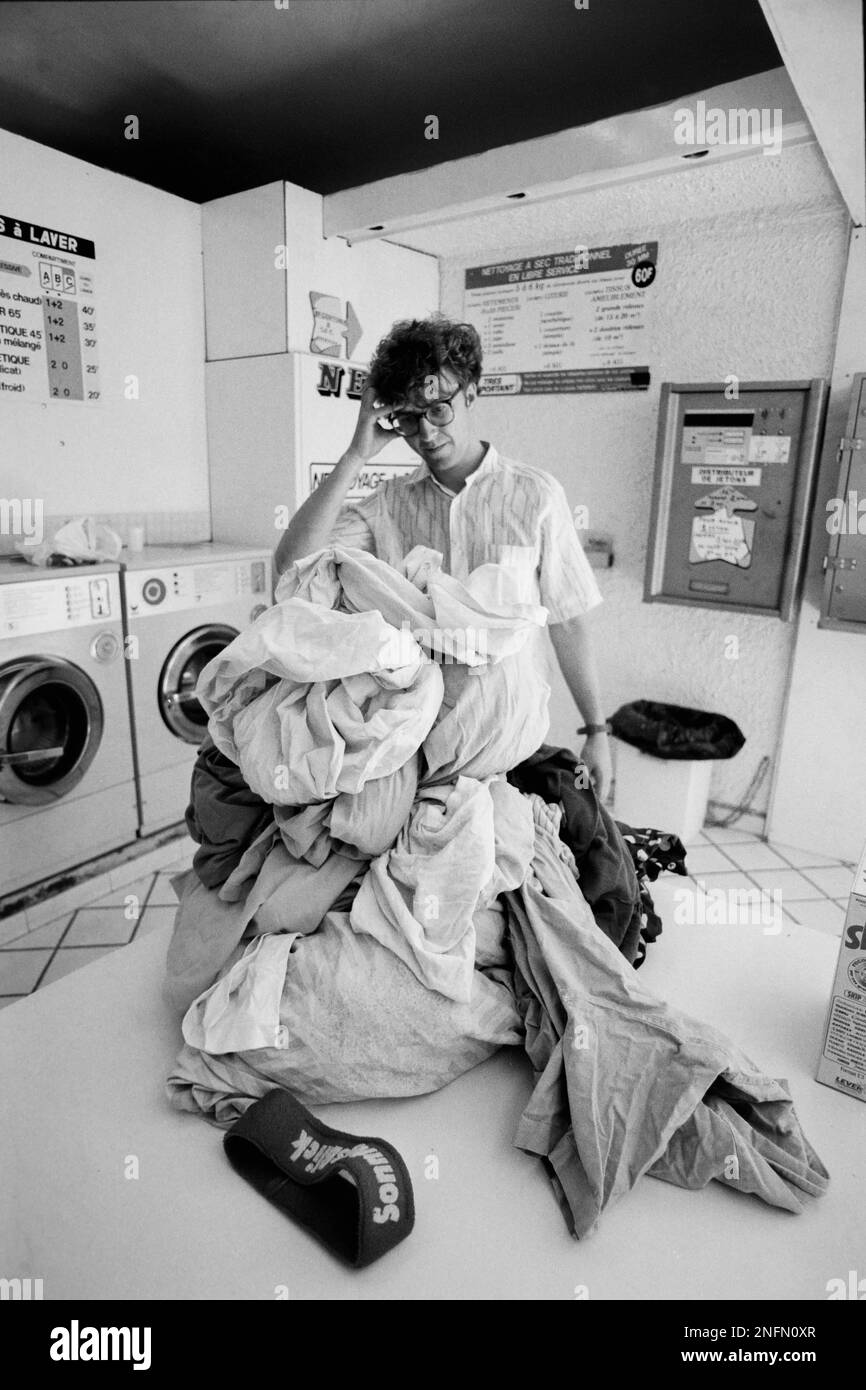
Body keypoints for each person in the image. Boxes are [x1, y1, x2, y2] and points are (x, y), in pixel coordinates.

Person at [275, 316, 612, 800]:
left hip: (507, 746)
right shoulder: (390, 503)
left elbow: (567, 621)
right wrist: (355, 456)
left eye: (438, 410)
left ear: (470, 394)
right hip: (414, 747)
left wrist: (596, 731)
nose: (425, 434)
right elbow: (292, 568)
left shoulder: (534, 496)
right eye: (408, 418)